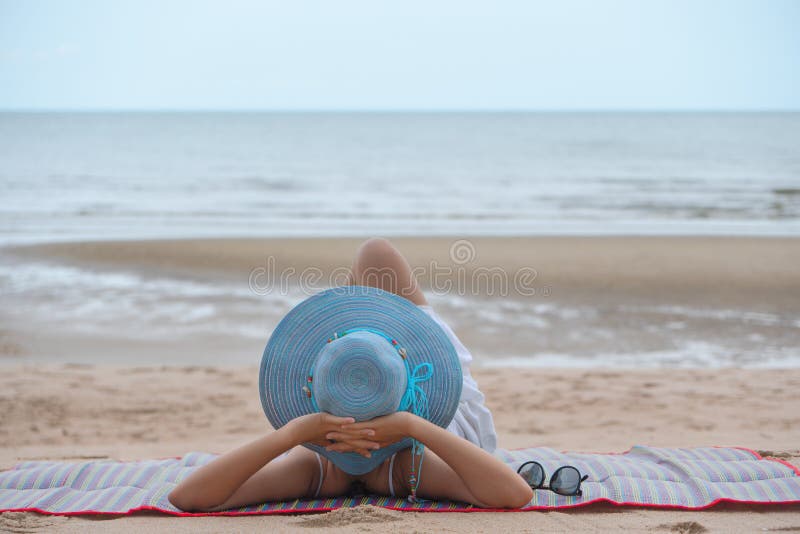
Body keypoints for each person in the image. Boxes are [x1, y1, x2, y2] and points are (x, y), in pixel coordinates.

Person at [168, 238, 533, 512]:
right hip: (430, 403)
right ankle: (357, 332)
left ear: (313, 404)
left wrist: (294, 434)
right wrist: (411, 424)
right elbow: (514, 494)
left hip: (393, 395)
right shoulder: (405, 466)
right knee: (376, 253)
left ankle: (353, 337)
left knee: (374, 256)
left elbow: (187, 497)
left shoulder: (317, 465)